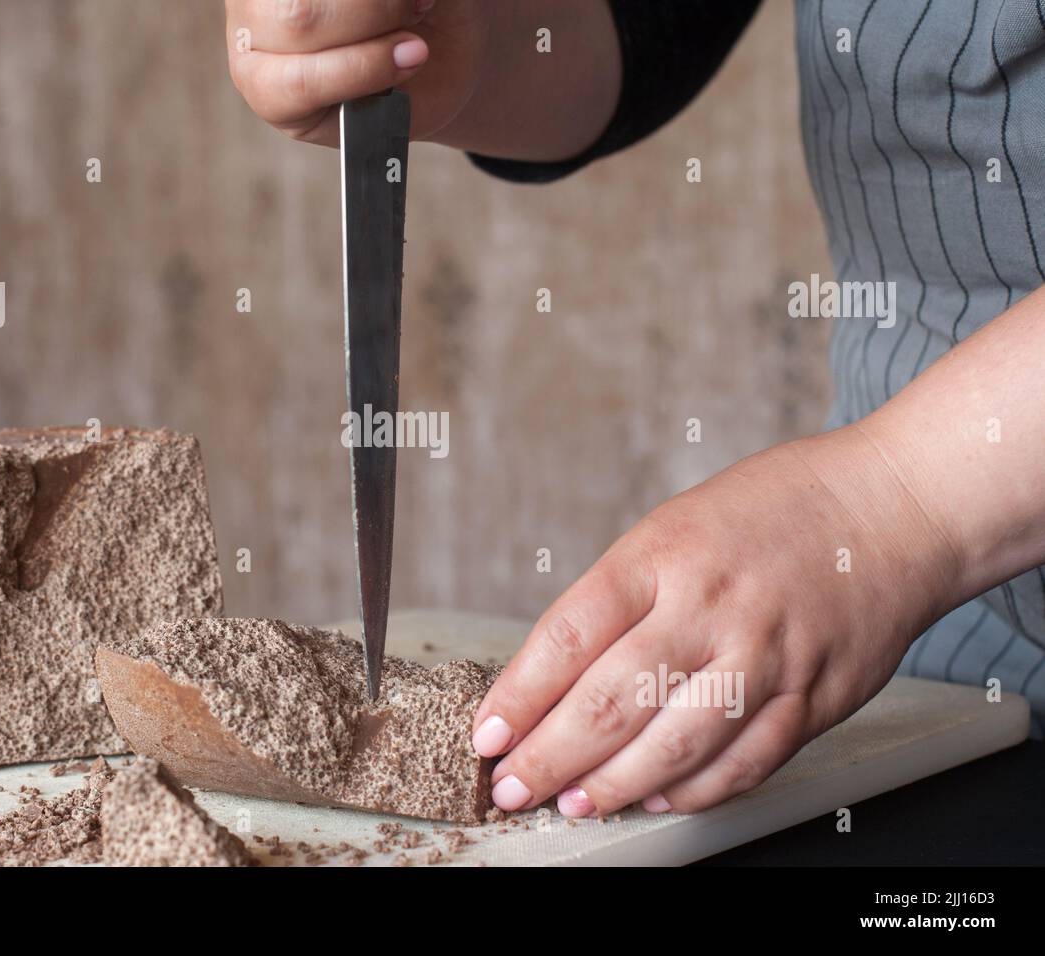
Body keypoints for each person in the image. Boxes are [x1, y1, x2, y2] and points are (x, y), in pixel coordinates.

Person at [223, 0, 1045, 818]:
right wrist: (479, 49)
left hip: (883, 573)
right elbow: (649, 28)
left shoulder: (883, 519)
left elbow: (892, 509)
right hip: (934, 684)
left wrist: (888, 507)